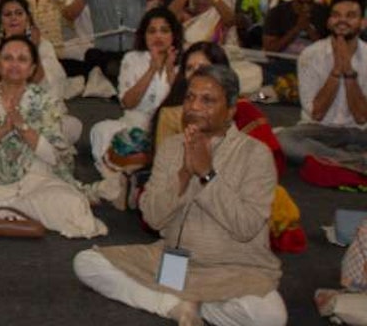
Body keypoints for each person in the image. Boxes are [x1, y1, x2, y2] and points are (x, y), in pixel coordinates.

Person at [73, 65, 286, 326]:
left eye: (207, 100)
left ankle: (192, 301)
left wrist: (207, 174)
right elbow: (153, 219)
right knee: (87, 263)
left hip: (231, 266)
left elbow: (246, 226)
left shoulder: (255, 154)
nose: (194, 107)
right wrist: (184, 174)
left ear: (230, 111)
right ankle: (176, 306)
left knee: (271, 317)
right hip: (176, 262)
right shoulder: (172, 148)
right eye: (190, 97)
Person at [0, 35, 107, 238]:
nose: (14, 65)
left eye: (22, 59)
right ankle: (21, 215)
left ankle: (1, 215)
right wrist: (1, 132)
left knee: (74, 205)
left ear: (32, 68)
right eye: (8, 58)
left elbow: (57, 156)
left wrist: (22, 126)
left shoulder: (45, 101)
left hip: (35, 179)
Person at [0, 0, 80, 144]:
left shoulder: (43, 44)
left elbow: (50, 84)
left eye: (19, 13)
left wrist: (33, 48)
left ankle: (18, 142)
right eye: (7, 14)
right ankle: (19, 143)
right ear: (1, 21)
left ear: (27, 18)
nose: (13, 18)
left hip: (36, 111)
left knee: (73, 126)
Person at [89, 8, 183, 182]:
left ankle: (136, 173)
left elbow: (179, 107)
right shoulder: (132, 59)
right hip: (133, 124)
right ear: (144, 35)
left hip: (166, 129)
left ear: (173, 35)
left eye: (164, 30)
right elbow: (128, 103)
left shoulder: (181, 63)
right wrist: (152, 69)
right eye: (152, 31)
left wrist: (169, 71)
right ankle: (131, 175)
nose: (158, 36)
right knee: (100, 131)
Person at [275, 0, 367, 169]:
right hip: (320, 130)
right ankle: (354, 160)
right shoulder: (310, 55)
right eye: (336, 15)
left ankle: (335, 159)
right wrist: (336, 70)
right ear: (328, 22)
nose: (342, 21)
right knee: (285, 140)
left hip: (361, 132)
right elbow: (317, 113)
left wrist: (349, 73)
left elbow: (362, 117)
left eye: (351, 16)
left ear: (362, 23)